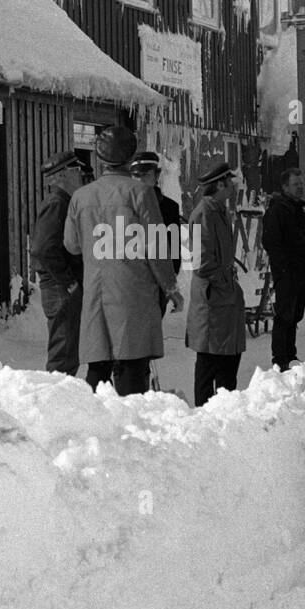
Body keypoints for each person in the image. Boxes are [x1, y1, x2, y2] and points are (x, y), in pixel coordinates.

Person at [63, 124, 182, 396]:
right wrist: (170, 288)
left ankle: (94, 426)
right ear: (129, 158)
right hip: (134, 294)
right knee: (132, 367)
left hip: (96, 292)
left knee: (99, 366)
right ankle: (130, 428)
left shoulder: (81, 197)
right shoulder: (140, 193)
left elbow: (71, 245)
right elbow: (155, 246)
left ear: (99, 157)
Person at [186, 158, 246, 405]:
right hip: (214, 300)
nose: (234, 185)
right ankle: (205, 416)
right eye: (231, 181)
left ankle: (224, 413)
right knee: (211, 361)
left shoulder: (219, 211)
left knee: (227, 361)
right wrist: (224, 284)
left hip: (223, 298)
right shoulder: (204, 213)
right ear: (220, 184)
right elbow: (201, 262)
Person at [30, 149, 87, 375]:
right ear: (62, 174)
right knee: (63, 355)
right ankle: (56, 404)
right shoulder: (57, 203)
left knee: (68, 351)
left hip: (61, 287)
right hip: (59, 288)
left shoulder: (65, 202)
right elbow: (42, 248)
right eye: (76, 169)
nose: (80, 174)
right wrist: (69, 282)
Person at [261, 167, 305, 372]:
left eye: (301, 184)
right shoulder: (278, 210)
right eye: (296, 184)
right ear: (285, 187)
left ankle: (290, 355)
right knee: (285, 314)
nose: (300, 187)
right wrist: (284, 268)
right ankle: (280, 358)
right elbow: (271, 242)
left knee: (294, 314)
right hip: (287, 272)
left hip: (300, 270)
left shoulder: (296, 208)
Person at [130, 150, 182, 315]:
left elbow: (174, 251)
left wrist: (168, 285)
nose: (141, 180)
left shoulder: (169, 207)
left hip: (157, 284)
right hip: (130, 283)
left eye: (146, 175)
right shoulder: (124, 205)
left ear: (157, 175)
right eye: (137, 176)